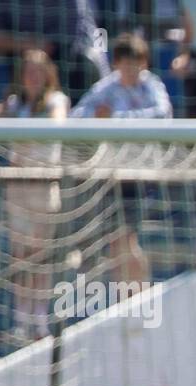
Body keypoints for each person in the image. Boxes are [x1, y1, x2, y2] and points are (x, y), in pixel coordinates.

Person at [0, 49, 70, 345]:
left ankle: (39, 319)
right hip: (16, 186)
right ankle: (22, 319)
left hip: (43, 185)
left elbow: (54, 126)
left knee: (40, 255)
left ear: (47, 73)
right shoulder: (14, 104)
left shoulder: (56, 101)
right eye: (27, 70)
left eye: (37, 70)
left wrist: (18, 134)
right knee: (20, 255)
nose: (32, 76)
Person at [71, 33, 171, 285]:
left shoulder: (152, 85)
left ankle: (138, 296)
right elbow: (77, 114)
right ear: (116, 63)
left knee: (124, 239)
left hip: (142, 173)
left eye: (136, 62)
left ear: (144, 62)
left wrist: (116, 116)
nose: (132, 68)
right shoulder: (107, 87)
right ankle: (128, 300)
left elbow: (162, 114)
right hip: (112, 174)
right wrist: (96, 115)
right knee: (118, 241)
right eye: (126, 63)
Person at [0, 1, 109, 105]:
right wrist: (30, 46)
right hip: (20, 56)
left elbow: (65, 37)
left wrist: (36, 53)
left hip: (68, 57)